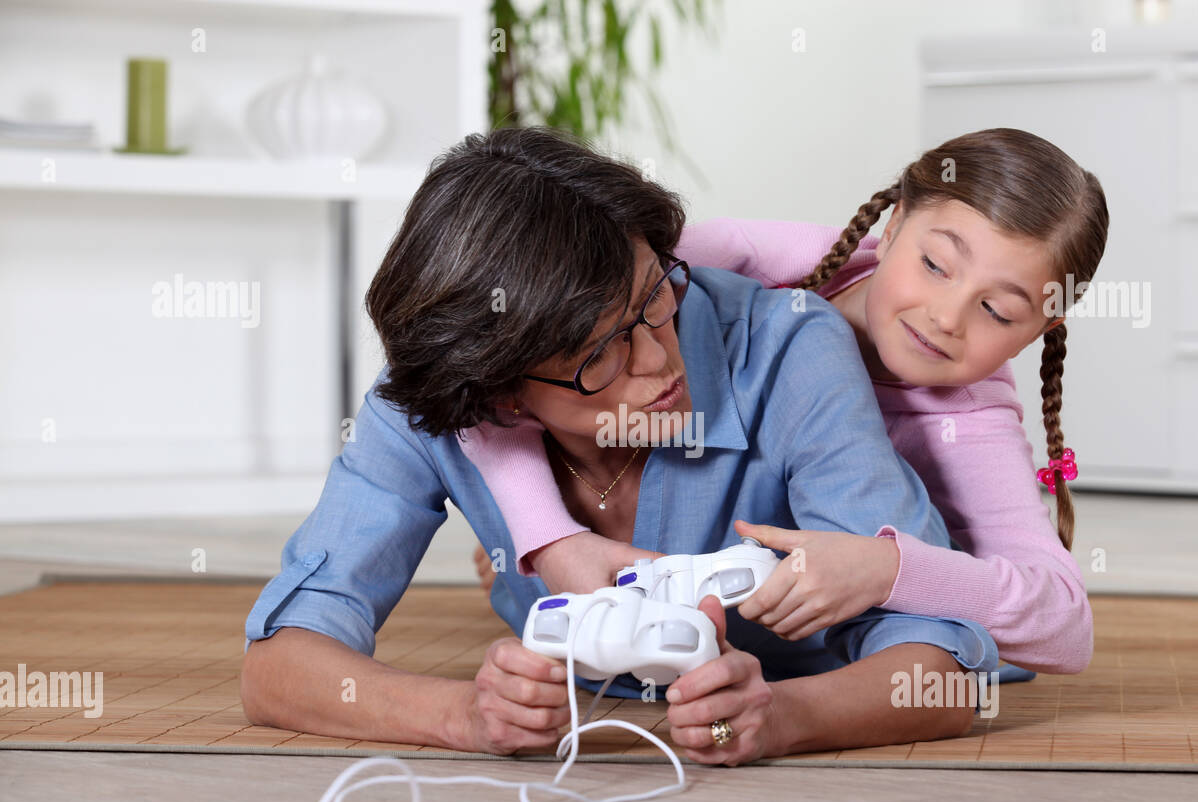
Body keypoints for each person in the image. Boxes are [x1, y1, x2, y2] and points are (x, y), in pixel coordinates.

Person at [241, 125, 1002, 767]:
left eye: (653, 296)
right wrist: (464, 716)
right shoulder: (436, 397)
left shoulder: (790, 348)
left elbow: (942, 667)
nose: (656, 360)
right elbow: (277, 667)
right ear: (502, 396)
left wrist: (786, 715)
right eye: (597, 354)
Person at [464, 128, 1108, 675]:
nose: (945, 316)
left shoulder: (972, 420)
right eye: (936, 264)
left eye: (997, 310)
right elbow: (502, 349)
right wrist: (546, 535)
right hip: (691, 573)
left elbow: (1066, 625)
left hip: (859, 633)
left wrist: (883, 570)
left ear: (1039, 332)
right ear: (895, 223)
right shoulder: (748, 263)